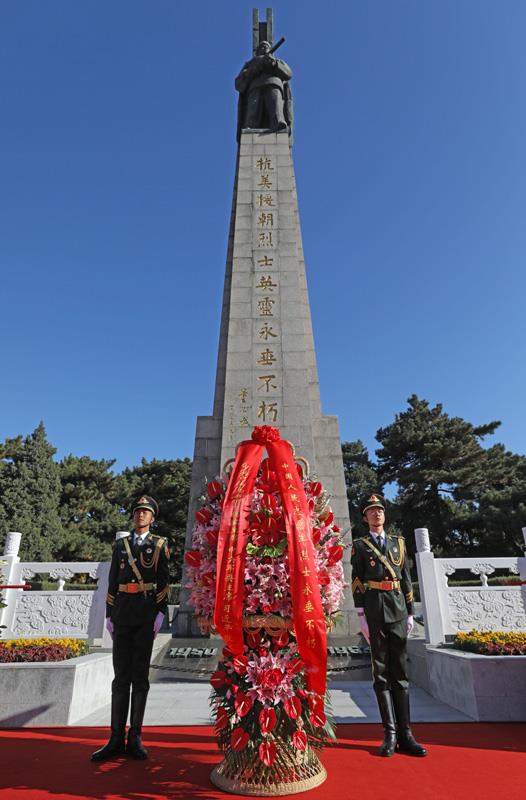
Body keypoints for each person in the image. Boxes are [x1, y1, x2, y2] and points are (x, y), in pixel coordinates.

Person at [91, 495, 170, 762]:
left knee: (140, 677)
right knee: (120, 676)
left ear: (152, 518)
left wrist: (160, 613)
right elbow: (113, 580)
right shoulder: (121, 544)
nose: (140, 515)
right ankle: (115, 737)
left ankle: (135, 736)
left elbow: (163, 581)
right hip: (123, 612)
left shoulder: (159, 544)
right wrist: (110, 614)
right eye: (137, 512)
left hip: (145, 614)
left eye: (145, 512)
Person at [351, 493, 427, 757]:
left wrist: (410, 612)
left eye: (380, 510)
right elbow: (357, 581)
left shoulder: (399, 544)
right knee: (380, 672)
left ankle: (406, 734)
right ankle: (390, 733)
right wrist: (361, 616)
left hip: (396, 609)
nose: (376, 514)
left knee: (400, 673)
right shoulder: (360, 546)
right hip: (374, 610)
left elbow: (406, 578)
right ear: (365, 517)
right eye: (371, 511)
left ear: (385, 514)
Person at [235, 40, 292, 132]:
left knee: (275, 104)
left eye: (267, 47)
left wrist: (275, 64)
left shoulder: (277, 61)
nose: (264, 48)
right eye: (262, 47)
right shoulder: (250, 63)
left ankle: (278, 122)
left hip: (273, 84)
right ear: (257, 51)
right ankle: (250, 126)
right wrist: (253, 69)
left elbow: (288, 73)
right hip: (255, 88)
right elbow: (238, 82)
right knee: (253, 109)